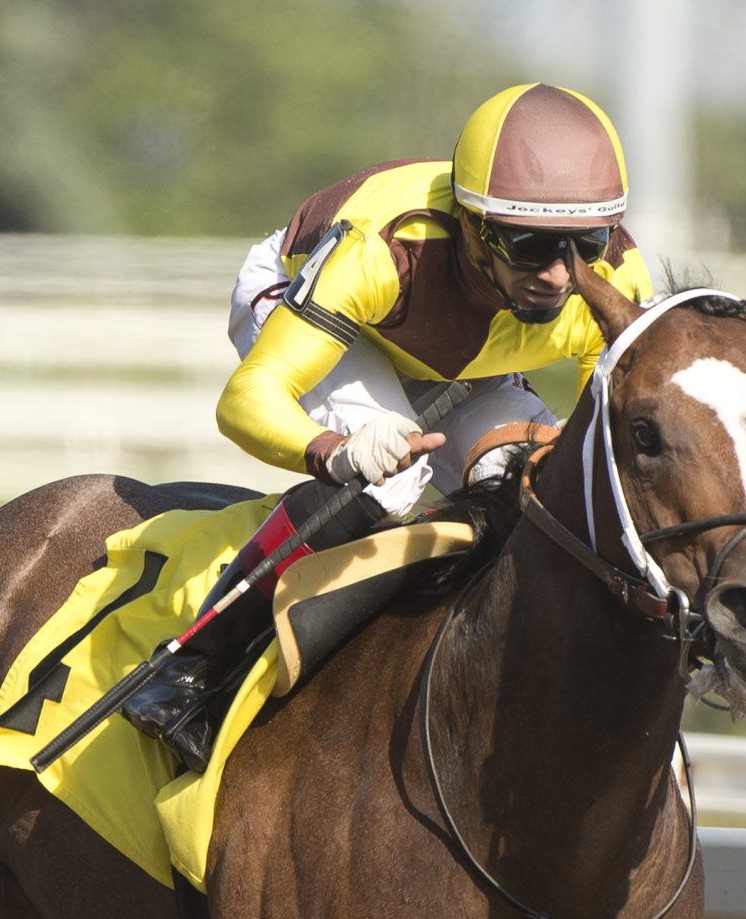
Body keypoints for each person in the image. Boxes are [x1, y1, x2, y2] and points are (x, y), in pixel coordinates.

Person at [123, 83, 655, 765]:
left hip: (464, 350)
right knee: (389, 485)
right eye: (529, 247)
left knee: (528, 487)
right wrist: (334, 453)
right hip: (322, 311)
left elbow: (590, 466)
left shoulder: (614, 276)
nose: (559, 277)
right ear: (471, 226)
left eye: (586, 244)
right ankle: (191, 668)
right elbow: (245, 400)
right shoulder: (385, 251)